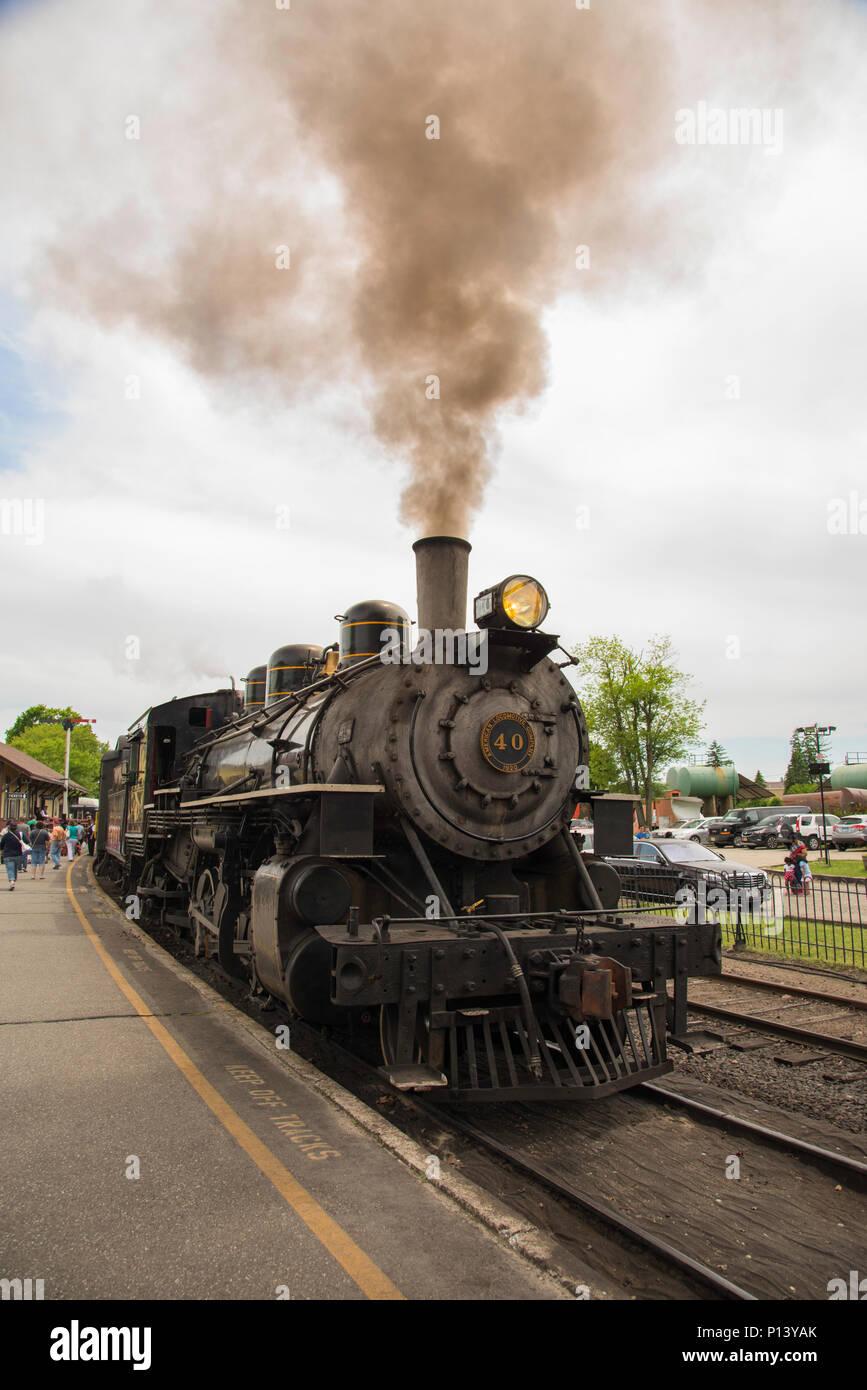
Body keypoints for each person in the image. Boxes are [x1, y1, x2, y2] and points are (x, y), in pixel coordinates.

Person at [1, 821, 27, 890]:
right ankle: (13, 880)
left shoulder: (6, 836)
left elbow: (1, 846)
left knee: (10, 869)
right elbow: (27, 841)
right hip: (18, 855)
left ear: (9, 827)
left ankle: (12, 881)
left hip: (8, 855)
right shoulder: (20, 834)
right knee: (15, 869)